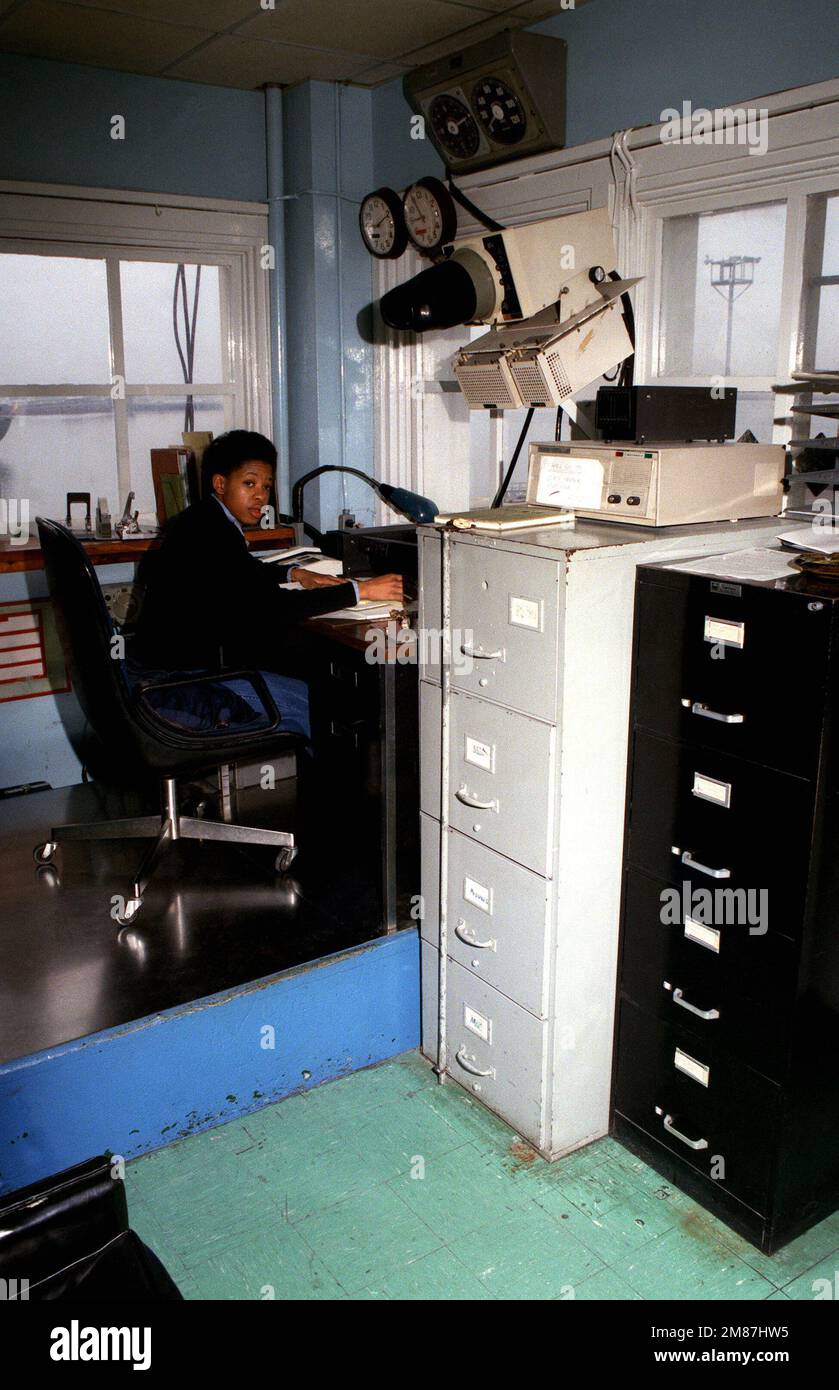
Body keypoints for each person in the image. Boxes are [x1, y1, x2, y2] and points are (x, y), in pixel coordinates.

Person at [131, 430, 403, 739]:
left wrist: (294, 574)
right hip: (180, 686)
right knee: (318, 707)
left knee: (310, 682)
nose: (261, 495)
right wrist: (360, 591)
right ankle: (331, 784)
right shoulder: (213, 533)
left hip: (161, 675)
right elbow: (273, 607)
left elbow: (239, 572)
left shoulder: (203, 520)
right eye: (249, 483)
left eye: (266, 486)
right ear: (220, 484)